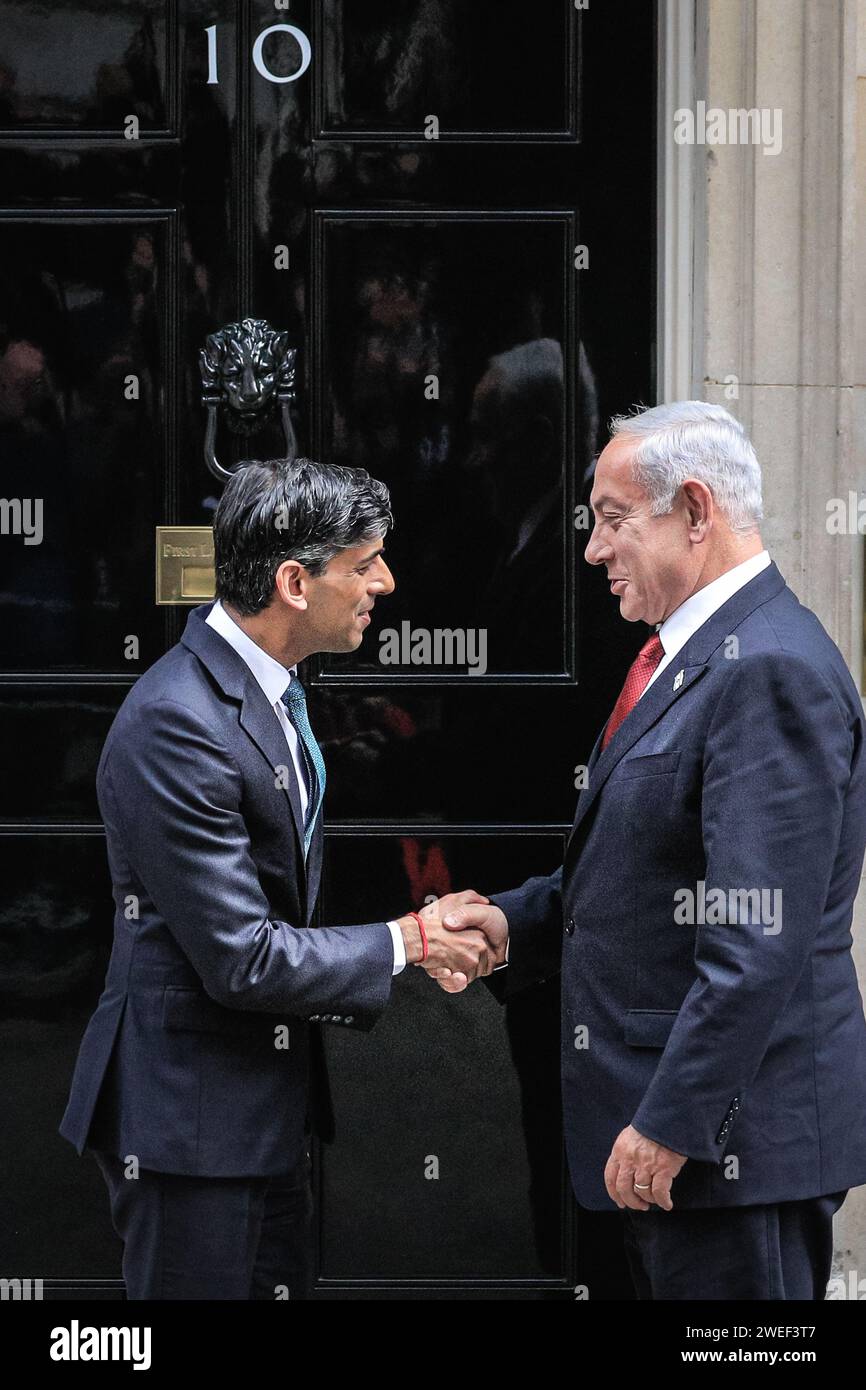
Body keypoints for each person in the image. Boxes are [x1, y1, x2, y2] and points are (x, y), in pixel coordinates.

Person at [428, 401, 866, 1300]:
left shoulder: (768, 669)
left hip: (729, 1158)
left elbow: (754, 940)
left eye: (613, 519)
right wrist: (509, 923)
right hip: (676, 1156)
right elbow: (639, 875)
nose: (592, 549)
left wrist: (672, 1123)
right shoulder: (688, 656)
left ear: (695, 513)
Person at [59, 456, 499, 1300]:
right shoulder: (174, 723)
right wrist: (408, 941)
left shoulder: (277, 693)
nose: (387, 581)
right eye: (366, 563)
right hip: (189, 1127)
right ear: (296, 582)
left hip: (264, 1115)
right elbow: (243, 956)